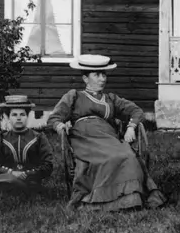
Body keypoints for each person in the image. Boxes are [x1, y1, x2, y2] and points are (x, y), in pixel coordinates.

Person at [46, 54, 166, 211]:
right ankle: (101, 201)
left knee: (128, 156)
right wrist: (61, 126)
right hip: (85, 139)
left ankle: (130, 198)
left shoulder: (111, 99)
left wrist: (131, 127)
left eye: (104, 74)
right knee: (108, 158)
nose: (102, 79)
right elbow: (54, 118)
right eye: (97, 75)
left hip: (109, 138)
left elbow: (136, 111)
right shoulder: (74, 96)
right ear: (85, 78)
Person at [0, 94, 53, 194]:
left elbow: (48, 165)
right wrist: (11, 173)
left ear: (27, 116)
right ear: (8, 118)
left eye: (22, 114)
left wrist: (28, 173)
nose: (19, 118)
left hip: (31, 181)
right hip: (4, 178)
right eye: (14, 115)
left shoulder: (38, 138)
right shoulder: (1, 138)